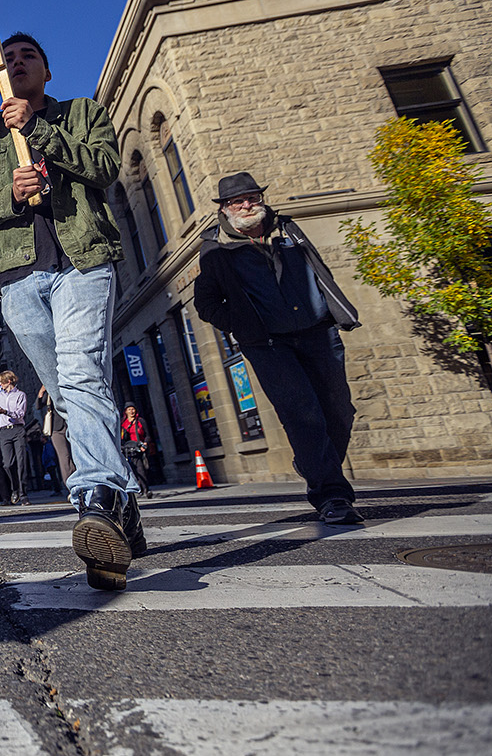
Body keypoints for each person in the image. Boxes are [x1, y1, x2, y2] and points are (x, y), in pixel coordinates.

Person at [0, 34, 144, 591]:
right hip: (18, 277)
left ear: (46, 70)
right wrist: (12, 194)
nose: (15, 64)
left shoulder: (82, 113)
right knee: (66, 391)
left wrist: (39, 133)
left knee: (85, 375)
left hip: (82, 262)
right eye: (6, 60)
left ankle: (96, 499)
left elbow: (106, 166)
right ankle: (123, 504)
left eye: (26, 57)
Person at [193, 171, 364, 525]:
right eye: (237, 201)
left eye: (252, 197)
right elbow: (206, 303)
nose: (246, 205)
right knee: (304, 415)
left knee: (339, 409)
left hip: (318, 332)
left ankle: (311, 463)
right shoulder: (216, 247)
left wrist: (336, 310)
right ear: (225, 209)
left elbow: (319, 270)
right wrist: (242, 324)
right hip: (269, 345)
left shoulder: (286, 229)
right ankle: (331, 495)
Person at [0, 369, 30, 505]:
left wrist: (5, 411)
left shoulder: (20, 395)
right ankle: (14, 488)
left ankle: (23, 494)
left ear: (8, 382)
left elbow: (20, 414)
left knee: (21, 462)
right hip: (4, 432)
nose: (0, 386)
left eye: (1, 383)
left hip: (17, 429)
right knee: (7, 464)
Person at [120, 404, 152, 496]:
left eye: (133, 409)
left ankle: (146, 489)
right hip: (128, 449)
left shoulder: (140, 421)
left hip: (139, 449)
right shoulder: (123, 423)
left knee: (141, 469)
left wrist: (145, 443)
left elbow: (147, 435)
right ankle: (139, 488)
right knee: (132, 470)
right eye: (129, 409)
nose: (131, 411)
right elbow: (121, 437)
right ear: (126, 411)